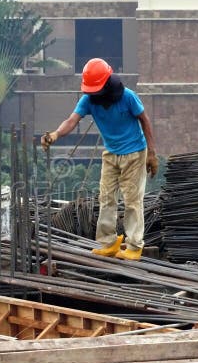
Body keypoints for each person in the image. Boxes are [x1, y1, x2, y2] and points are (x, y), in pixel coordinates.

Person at [41, 58, 157, 260]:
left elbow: (145, 121)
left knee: (132, 200)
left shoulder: (128, 97)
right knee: (106, 198)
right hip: (111, 153)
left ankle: (134, 245)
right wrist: (55, 135)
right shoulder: (88, 100)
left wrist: (152, 154)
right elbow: (71, 121)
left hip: (134, 153)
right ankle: (108, 242)